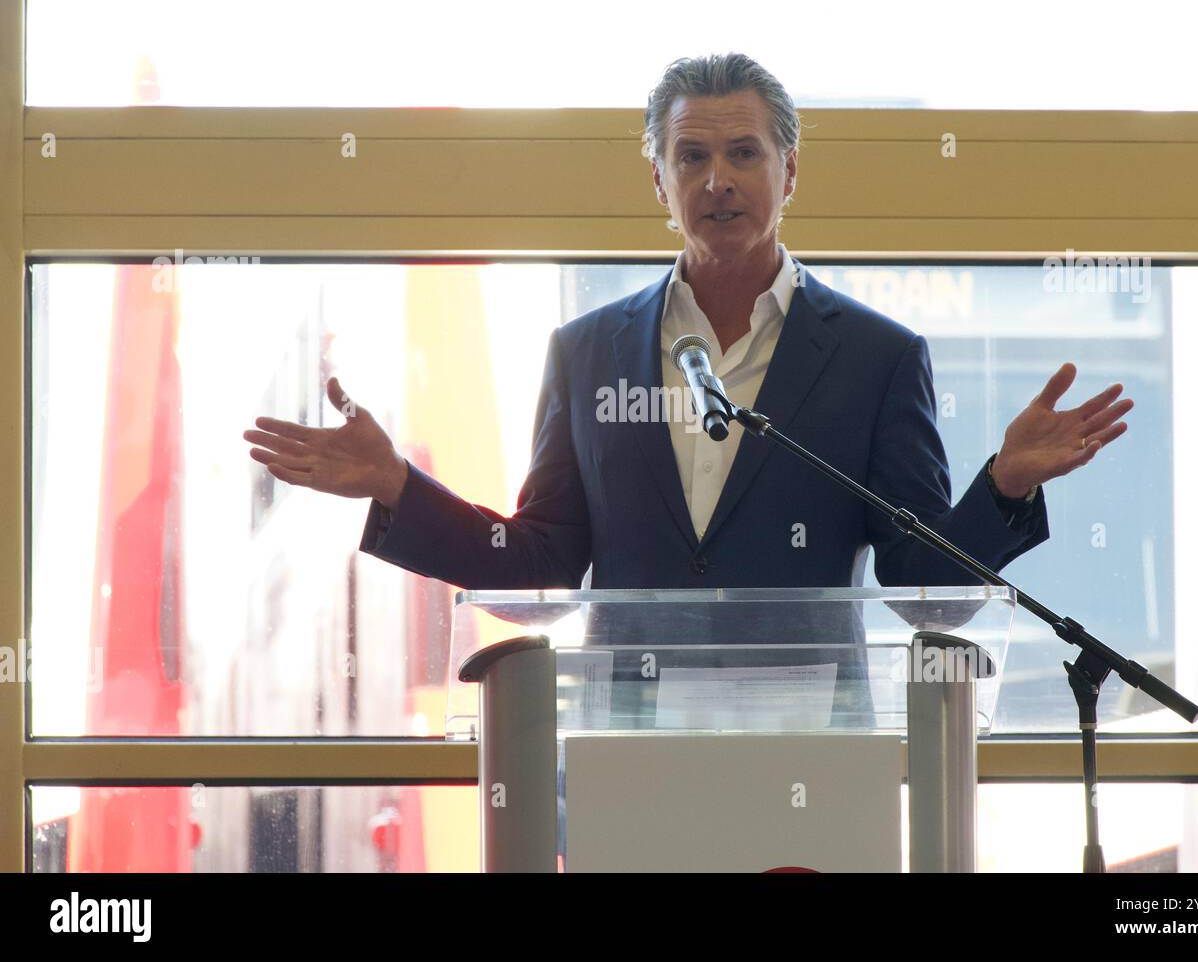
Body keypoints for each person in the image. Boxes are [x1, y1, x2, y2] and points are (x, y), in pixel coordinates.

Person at [243, 53, 1132, 646]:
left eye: (744, 153)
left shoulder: (878, 357)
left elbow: (915, 581)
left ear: (789, 174)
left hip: (815, 760)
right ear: (658, 183)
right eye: (691, 155)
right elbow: (543, 567)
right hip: (625, 754)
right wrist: (402, 488)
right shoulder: (587, 353)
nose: (719, 179)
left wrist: (1004, 485)